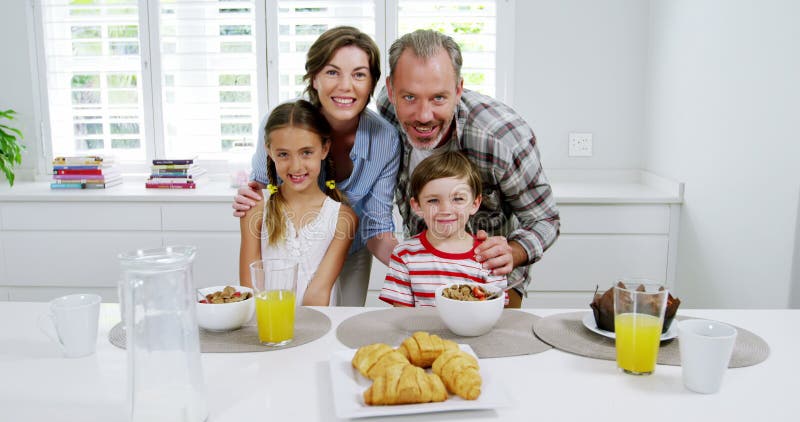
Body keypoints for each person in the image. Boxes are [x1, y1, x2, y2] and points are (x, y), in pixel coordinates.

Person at [376, 29, 561, 308]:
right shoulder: (387, 110)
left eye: (439, 98)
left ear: (459, 89)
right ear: (391, 91)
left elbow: (545, 219)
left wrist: (513, 251)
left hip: (490, 273)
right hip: (423, 274)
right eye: (410, 98)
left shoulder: (502, 139)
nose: (424, 116)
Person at [232, 26, 401, 306]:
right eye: (332, 72)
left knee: (340, 323)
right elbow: (262, 186)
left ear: (372, 83)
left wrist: (420, 264)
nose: (345, 86)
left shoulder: (385, 139)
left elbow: (377, 224)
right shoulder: (286, 123)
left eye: (359, 74)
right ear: (314, 79)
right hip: (284, 247)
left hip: (350, 247)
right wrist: (247, 198)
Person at [239, 100, 357, 306]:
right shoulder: (256, 208)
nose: (296, 166)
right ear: (269, 151)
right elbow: (250, 289)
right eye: (283, 154)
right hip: (268, 326)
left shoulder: (343, 218)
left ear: (325, 148)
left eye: (306, 152)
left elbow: (319, 292)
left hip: (318, 325)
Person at [379, 151, 507, 307]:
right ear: (417, 206)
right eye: (433, 200)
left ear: (475, 203)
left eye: (458, 199)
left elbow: (494, 309)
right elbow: (402, 316)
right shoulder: (404, 255)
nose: (445, 209)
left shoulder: (488, 256)